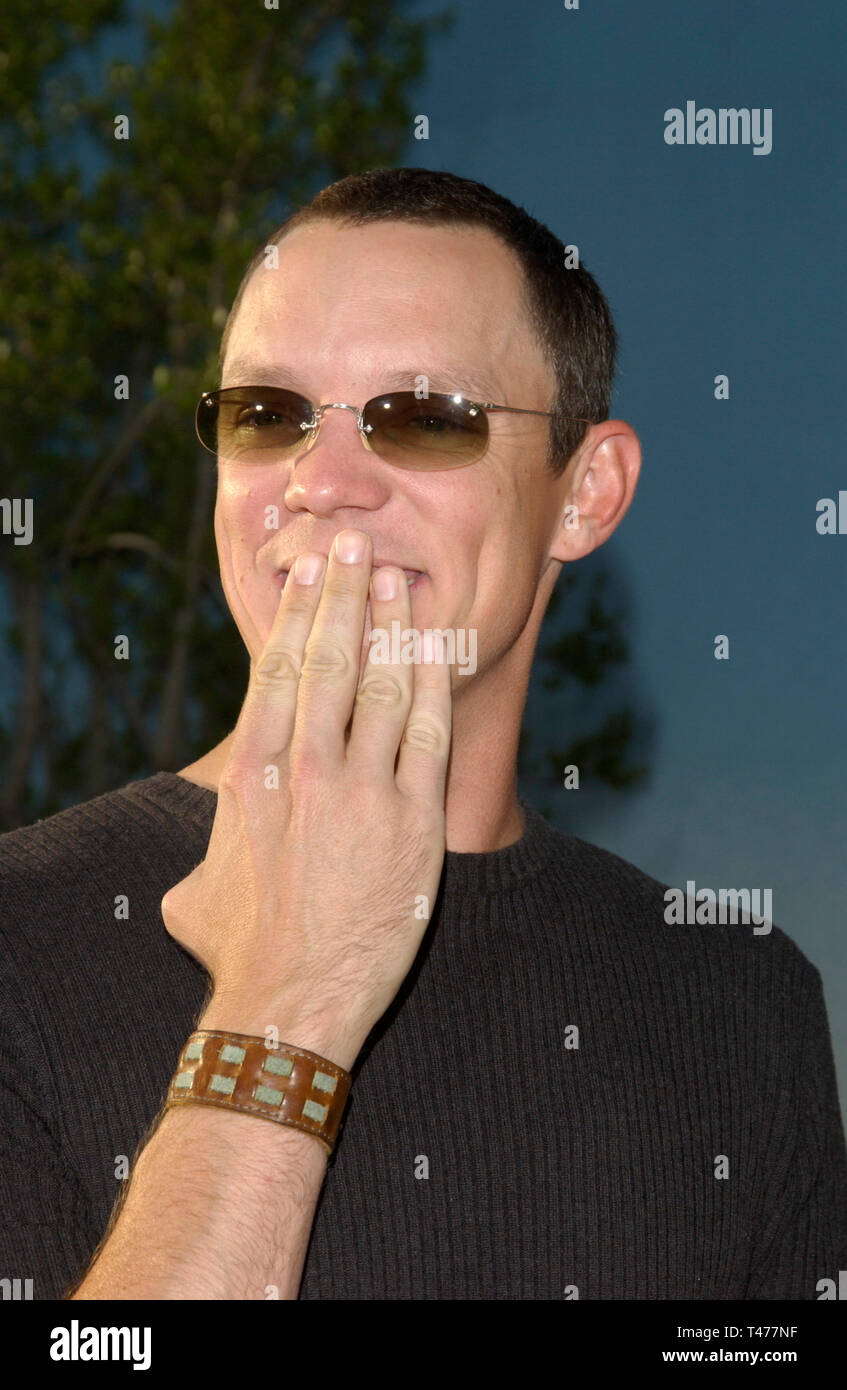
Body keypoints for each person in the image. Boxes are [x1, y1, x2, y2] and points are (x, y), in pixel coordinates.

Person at [1, 167, 844, 1301]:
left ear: (587, 491)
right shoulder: (20, 943)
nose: (322, 481)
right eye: (266, 413)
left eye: (422, 417)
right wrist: (285, 1002)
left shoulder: (743, 1009)